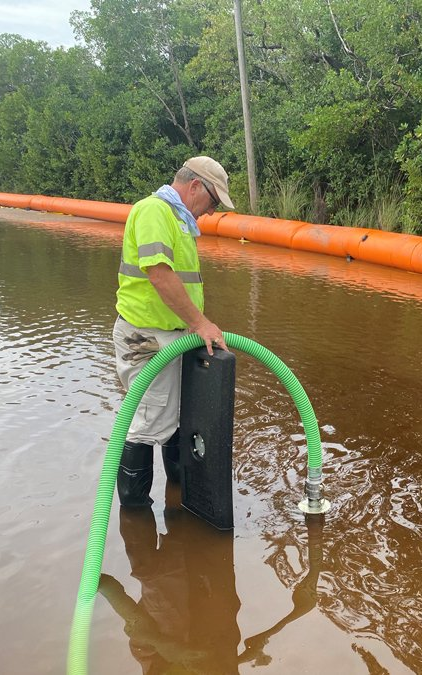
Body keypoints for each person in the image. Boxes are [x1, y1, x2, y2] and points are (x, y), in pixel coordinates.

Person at [113, 156, 235, 507]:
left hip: (171, 335)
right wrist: (201, 323)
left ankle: (178, 504)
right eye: (212, 202)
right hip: (146, 339)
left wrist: (193, 325)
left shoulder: (179, 222)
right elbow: (159, 274)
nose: (210, 212)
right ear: (195, 186)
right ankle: (135, 516)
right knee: (147, 421)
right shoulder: (154, 211)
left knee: (172, 419)